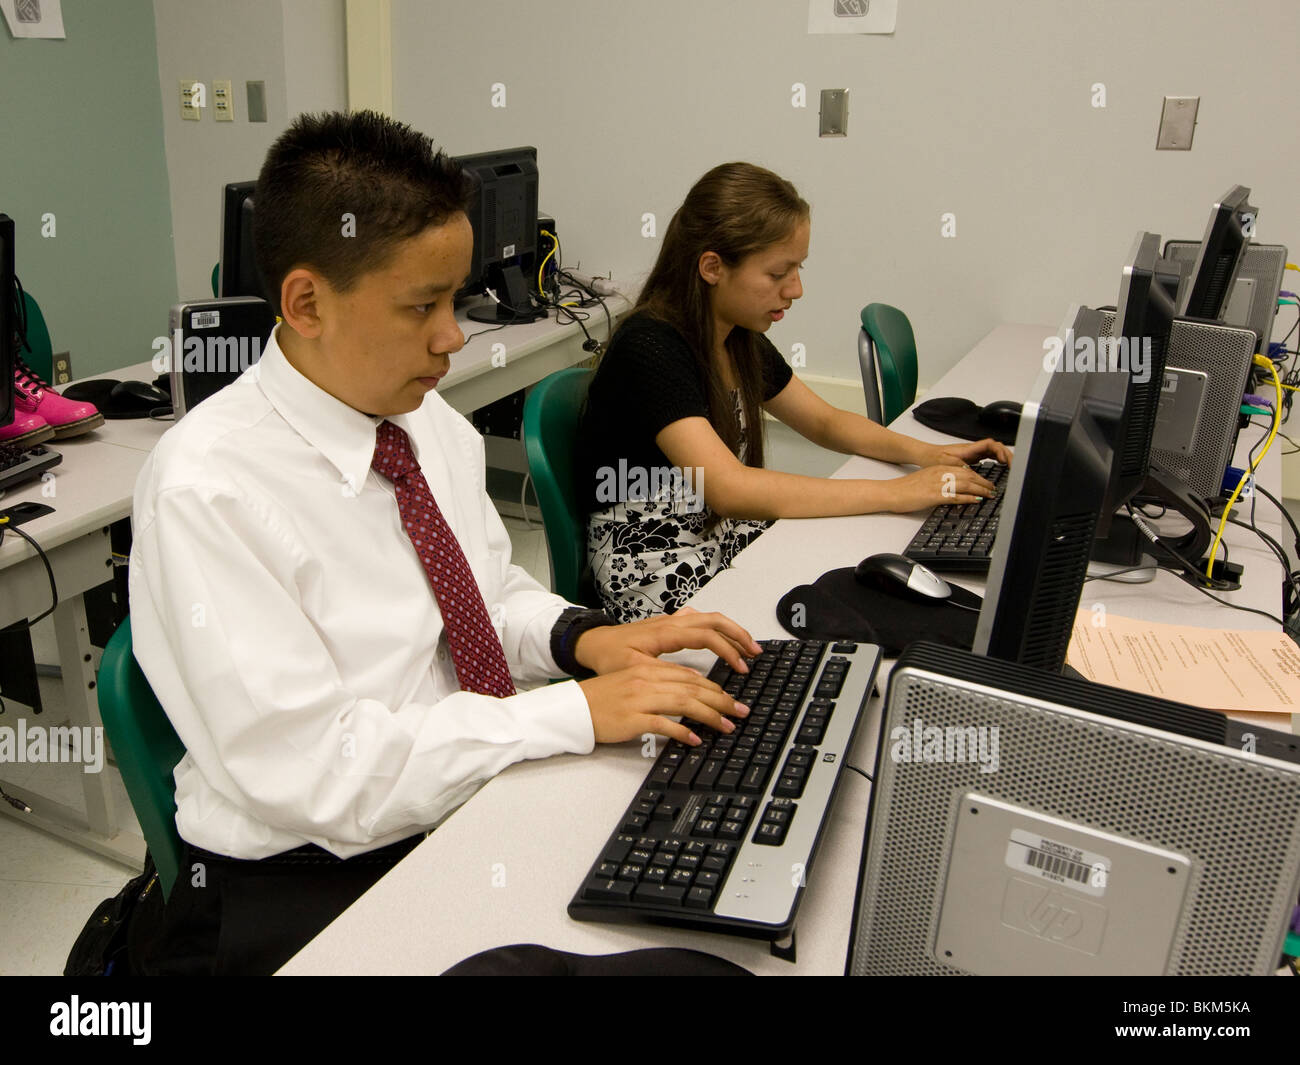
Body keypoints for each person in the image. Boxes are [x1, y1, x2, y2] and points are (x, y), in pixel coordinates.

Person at [123, 111, 760, 975]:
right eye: (421, 306)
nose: (453, 336)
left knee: (708, 904)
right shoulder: (208, 486)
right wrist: (568, 711)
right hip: (311, 876)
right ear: (306, 302)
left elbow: (486, 596)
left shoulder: (426, 426)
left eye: (454, 299)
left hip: (452, 799)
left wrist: (582, 638)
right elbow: (321, 774)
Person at [578, 162, 1012, 622]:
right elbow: (730, 489)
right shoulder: (651, 347)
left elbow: (825, 422)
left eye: (798, 268)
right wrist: (897, 491)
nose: (797, 289)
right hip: (656, 569)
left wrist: (930, 456)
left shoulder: (736, 335)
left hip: (719, 537)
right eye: (779, 272)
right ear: (712, 267)